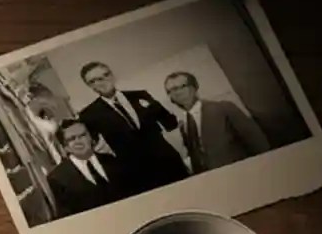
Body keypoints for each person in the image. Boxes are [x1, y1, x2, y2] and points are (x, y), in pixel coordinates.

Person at [77, 61, 188, 192]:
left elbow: (170, 123)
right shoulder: (88, 115)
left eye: (104, 76)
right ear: (89, 86)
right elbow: (97, 150)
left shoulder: (141, 95)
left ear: (112, 75)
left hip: (169, 163)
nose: (100, 82)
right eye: (93, 81)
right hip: (135, 176)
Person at [164, 71, 269, 174]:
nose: (176, 93)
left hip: (244, 172)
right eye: (170, 91)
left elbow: (258, 142)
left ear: (194, 87)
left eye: (180, 87)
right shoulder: (184, 125)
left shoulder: (224, 108)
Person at [46, 119, 133, 217]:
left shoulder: (111, 160)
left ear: (91, 137)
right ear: (65, 147)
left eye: (82, 135)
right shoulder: (57, 178)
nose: (79, 141)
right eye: (72, 139)